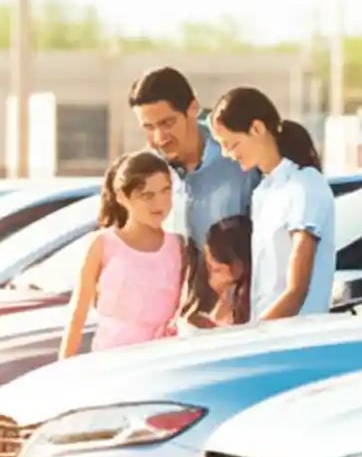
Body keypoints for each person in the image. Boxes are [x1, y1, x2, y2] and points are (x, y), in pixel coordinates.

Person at [128, 67, 259, 312]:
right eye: (148, 127)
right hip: (168, 323)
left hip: (235, 323)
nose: (159, 137)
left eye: (167, 123)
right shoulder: (145, 173)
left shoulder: (239, 162)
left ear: (192, 109)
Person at [208, 86, 336, 322]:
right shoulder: (263, 192)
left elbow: (296, 289)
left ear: (257, 128)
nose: (227, 154)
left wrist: (258, 335)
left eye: (232, 144)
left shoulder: (305, 185)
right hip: (269, 334)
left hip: (297, 339)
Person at [60, 150, 183, 359]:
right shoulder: (103, 244)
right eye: (147, 195)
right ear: (122, 197)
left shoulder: (178, 246)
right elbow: (77, 314)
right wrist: (63, 366)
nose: (160, 202)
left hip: (163, 359)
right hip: (113, 359)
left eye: (166, 191)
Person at [183, 214, 252, 331]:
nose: (210, 279)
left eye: (215, 270)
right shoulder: (218, 298)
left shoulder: (242, 301)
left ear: (237, 269)